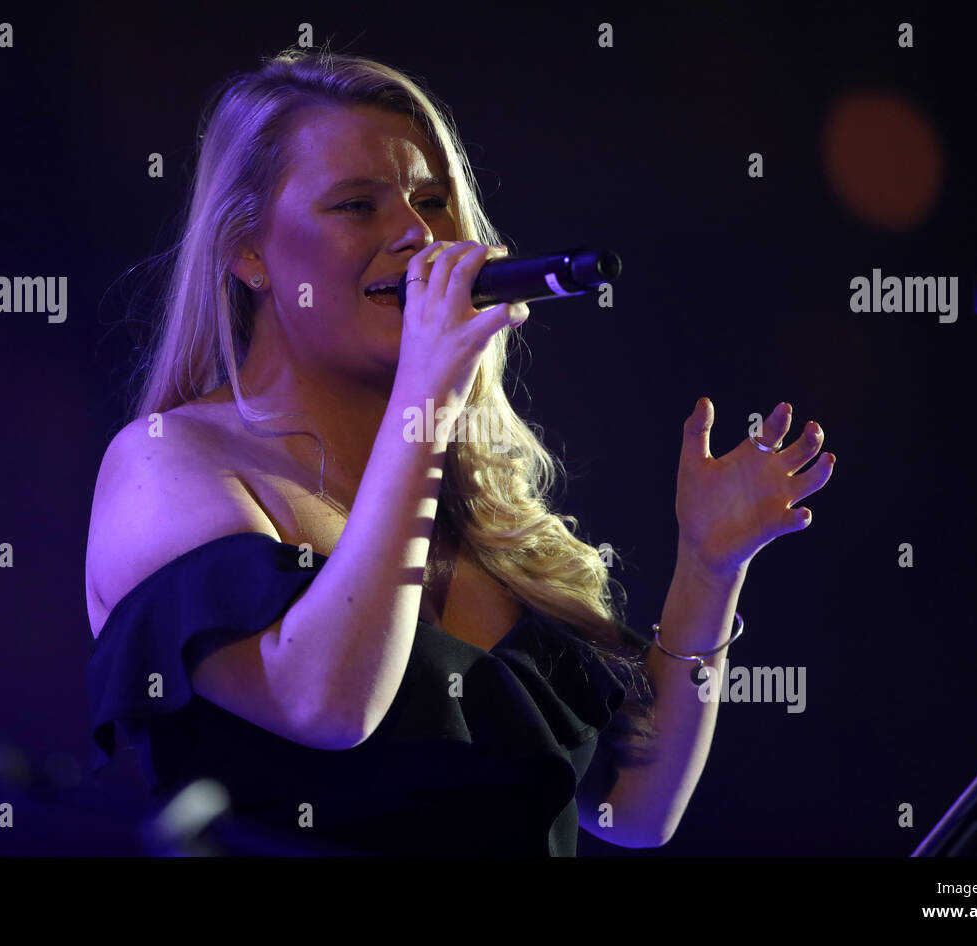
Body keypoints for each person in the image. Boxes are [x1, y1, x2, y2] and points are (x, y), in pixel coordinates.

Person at [84, 46, 834, 856]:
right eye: (357, 206)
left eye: (433, 200)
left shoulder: (465, 503)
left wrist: (709, 565)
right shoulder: (170, 462)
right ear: (248, 250)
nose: (414, 233)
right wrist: (427, 396)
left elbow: (632, 809)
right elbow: (327, 704)